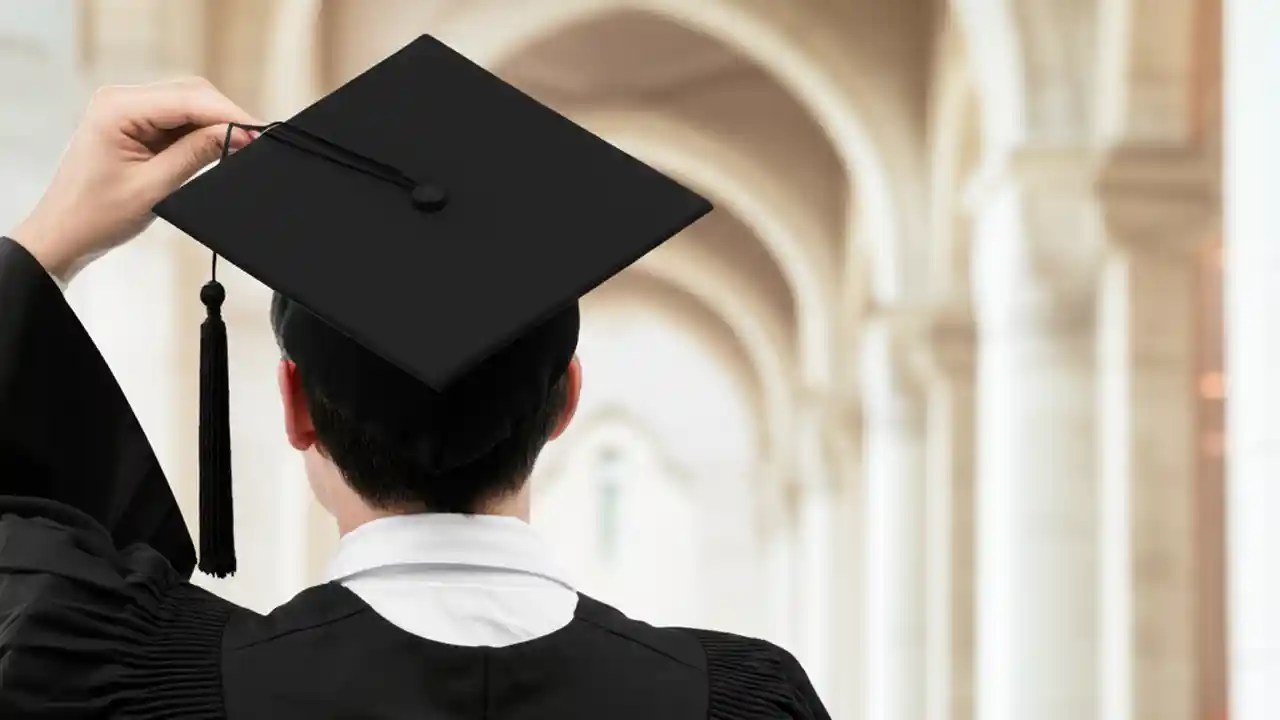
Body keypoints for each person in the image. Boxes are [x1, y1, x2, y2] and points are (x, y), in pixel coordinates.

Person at [0, 68, 829, 718]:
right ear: (567, 399)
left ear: (296, 406)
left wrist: (49, 244)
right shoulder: (746, 700)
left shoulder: (129, 677)